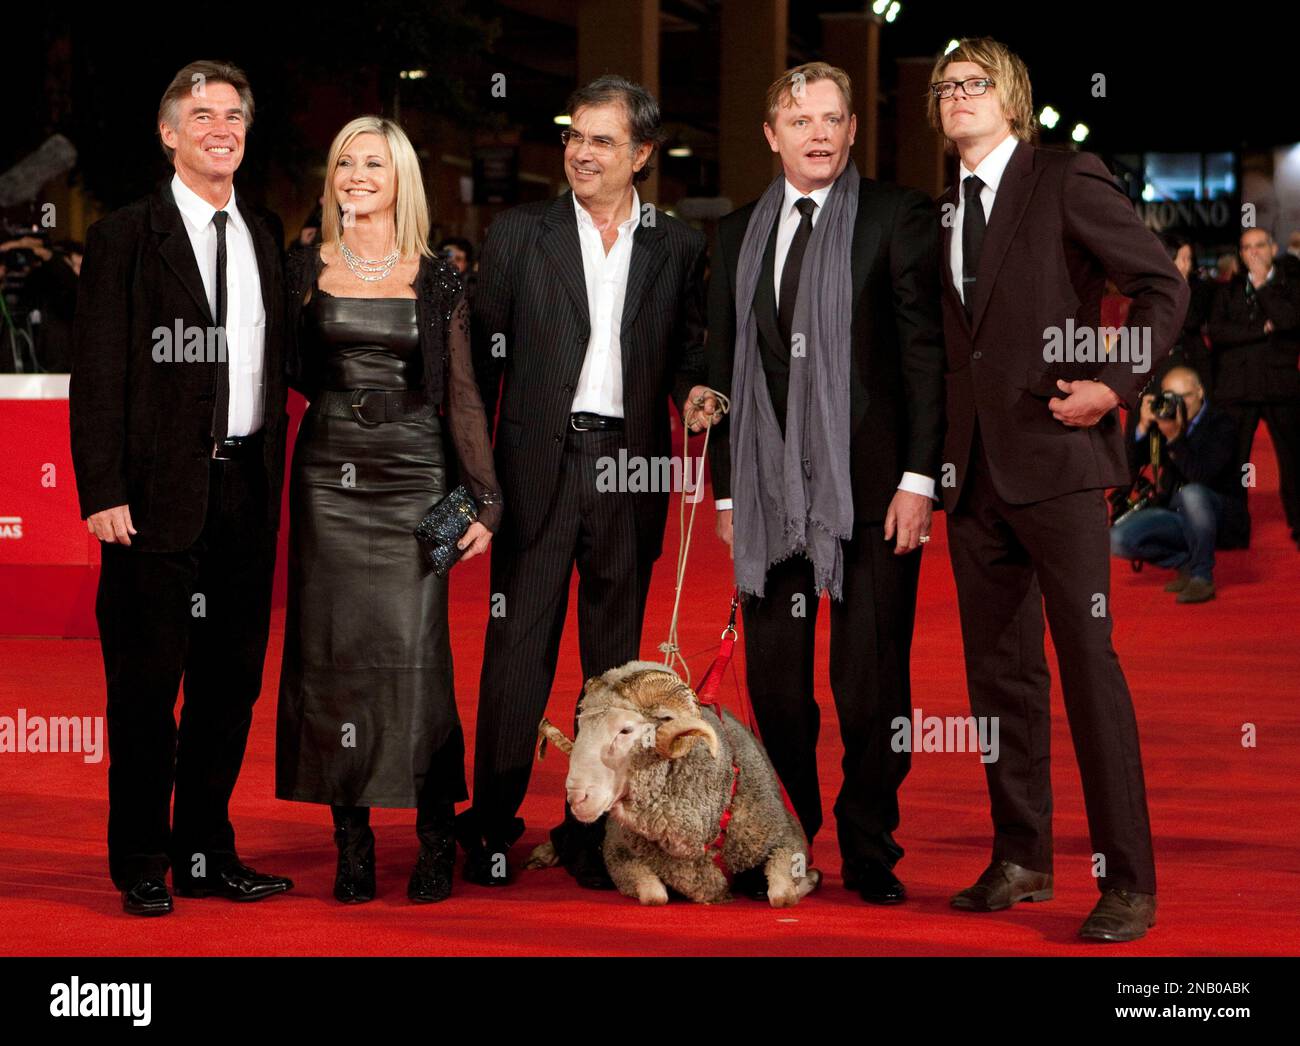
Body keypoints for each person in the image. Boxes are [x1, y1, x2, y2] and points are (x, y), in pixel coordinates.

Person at [930, 37, 1188, 942]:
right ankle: (1022, 856)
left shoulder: (1064, 175)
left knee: (1088, 672)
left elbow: (1159, 287)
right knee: (1001, 679)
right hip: (974, 482)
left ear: (1012, 100)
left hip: (1061, 465)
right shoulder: (947, 207)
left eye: (975, 85)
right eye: (946, 87)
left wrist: (1116, 384)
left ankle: (1128, 880)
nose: (958, 97)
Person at [464, 74, 716, 887]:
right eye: (574, 135)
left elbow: (684, 352)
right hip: (536, 465)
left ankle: (598, 839)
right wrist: (472, 482)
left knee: (616, 669)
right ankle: (490, 826)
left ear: (642, 154)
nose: (580, 151)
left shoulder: (677, 246)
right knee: (517, 653)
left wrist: (694, 394)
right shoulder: (517, 235)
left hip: (632, 468)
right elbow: (475, 366)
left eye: (602, 140)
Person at [706, 62, 945, 905]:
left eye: (832, 119)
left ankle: (872, 847)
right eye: (799, 119)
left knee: (871, 682)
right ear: (771, 134)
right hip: (771, 498)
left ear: (850, 131)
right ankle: (787, 841)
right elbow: (723, 375)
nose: (817, 133)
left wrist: (921, 478)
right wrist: (729, 494)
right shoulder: (735, 235)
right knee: (777, 687)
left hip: (871, 496)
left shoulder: (897, 217)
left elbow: (925, 358)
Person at [69, 60, 292, 916]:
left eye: (233, 113)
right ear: (169, 132)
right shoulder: (128, 234)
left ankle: (207, 850)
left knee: (231, 686)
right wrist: (101, 489)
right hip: (151, 501)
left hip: (244, 491)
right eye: (201, 115)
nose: (220, 127)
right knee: (145, 690)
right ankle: (142, 861)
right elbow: (97, 373)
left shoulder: (265, 232)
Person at [275, 117, 501, 905]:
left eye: (374, 163)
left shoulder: (436, 276)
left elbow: (463, 391)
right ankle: (353, 843)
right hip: (327, 485)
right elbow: (286, 375)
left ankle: (435, 834)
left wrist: (484, 496)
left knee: (416, 654)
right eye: (345, 162)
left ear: (402, 178)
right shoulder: (303, 266)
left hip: (416, 477)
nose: (357, 174)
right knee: (333, 656)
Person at [1110, 366, 1247, 602]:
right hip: (1177, 514)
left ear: (1200, 392)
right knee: (1115, 539)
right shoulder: (1163, 421)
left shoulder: (1223, 424)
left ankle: (1202, 577)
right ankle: (1185, 562)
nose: (1179, 404)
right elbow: (1129, 466)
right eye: (1172, 397)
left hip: (1220, 517)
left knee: (1193, 493)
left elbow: (1202, 476)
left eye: (1185, 397)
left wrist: (1174, 438)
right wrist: (1142, 427)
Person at [1206, 227, 1300, 549]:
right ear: (1241, 253)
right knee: (1235, 463)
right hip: (1237, 389)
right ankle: (1234, 529)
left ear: (1272, 248)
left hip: (1281, 386)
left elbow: (1289, 320)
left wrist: (1262, 287)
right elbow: (1218, 332)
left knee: (1292, 460)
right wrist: (1262, 329)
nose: (1254, 253)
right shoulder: (1226, 290)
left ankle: (1299, 523)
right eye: (1247, 247)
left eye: (1260, 246)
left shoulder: (1292, 285)